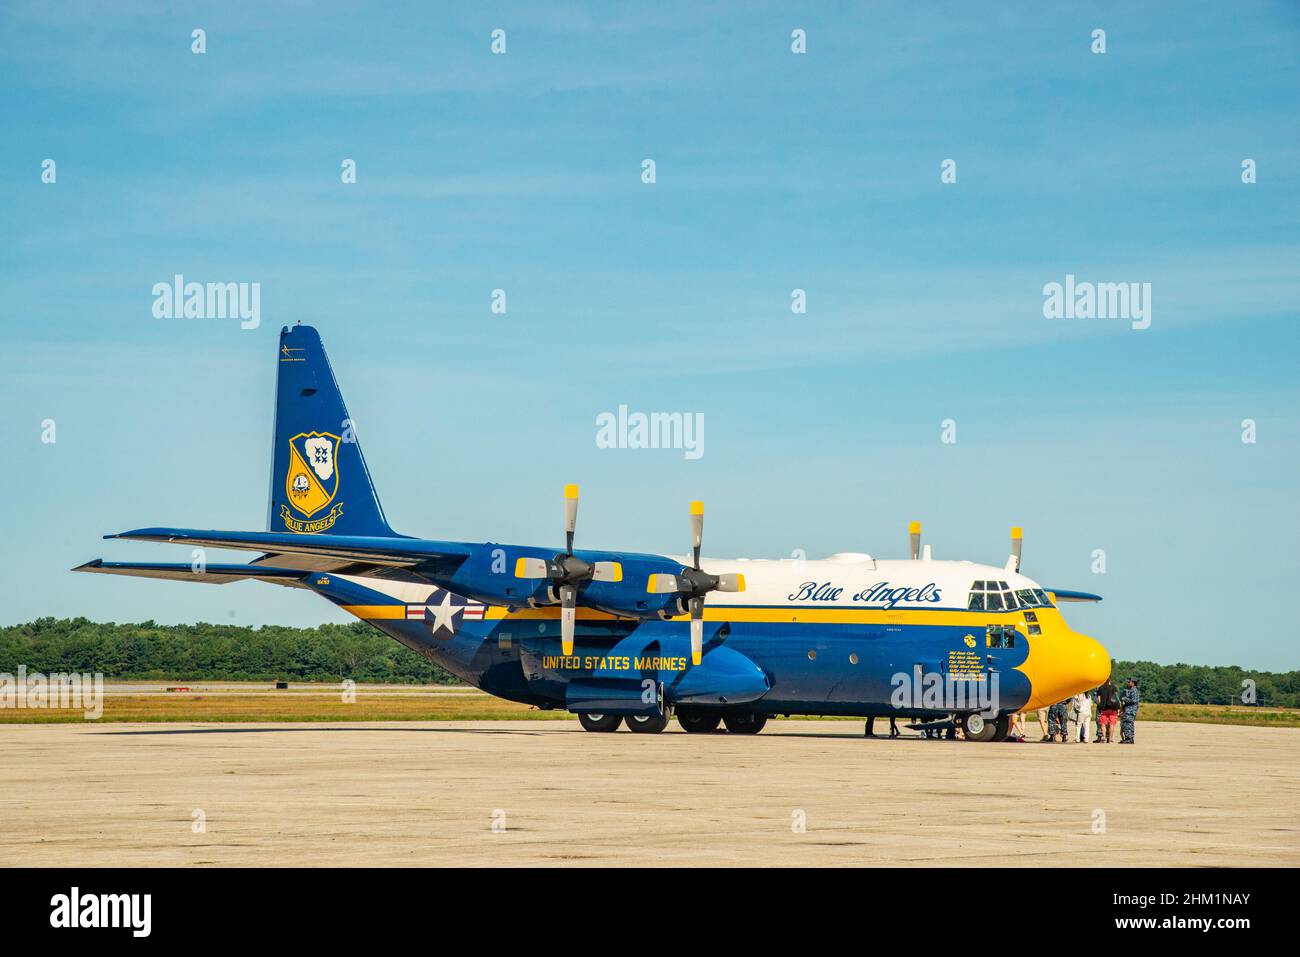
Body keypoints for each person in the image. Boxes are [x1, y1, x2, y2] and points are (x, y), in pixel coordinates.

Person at [1120, 679, 1140, 744]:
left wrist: (1125, 699)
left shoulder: (1134, 690)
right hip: (1128, 710)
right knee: (1128, 724)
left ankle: (1129, 738)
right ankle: (1129, 738)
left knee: (1128, 724)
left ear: (1133, 683)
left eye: (1129, 682)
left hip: (1131, 710)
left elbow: (1134, 700)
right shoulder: (1130, 690)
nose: (1128, 683)